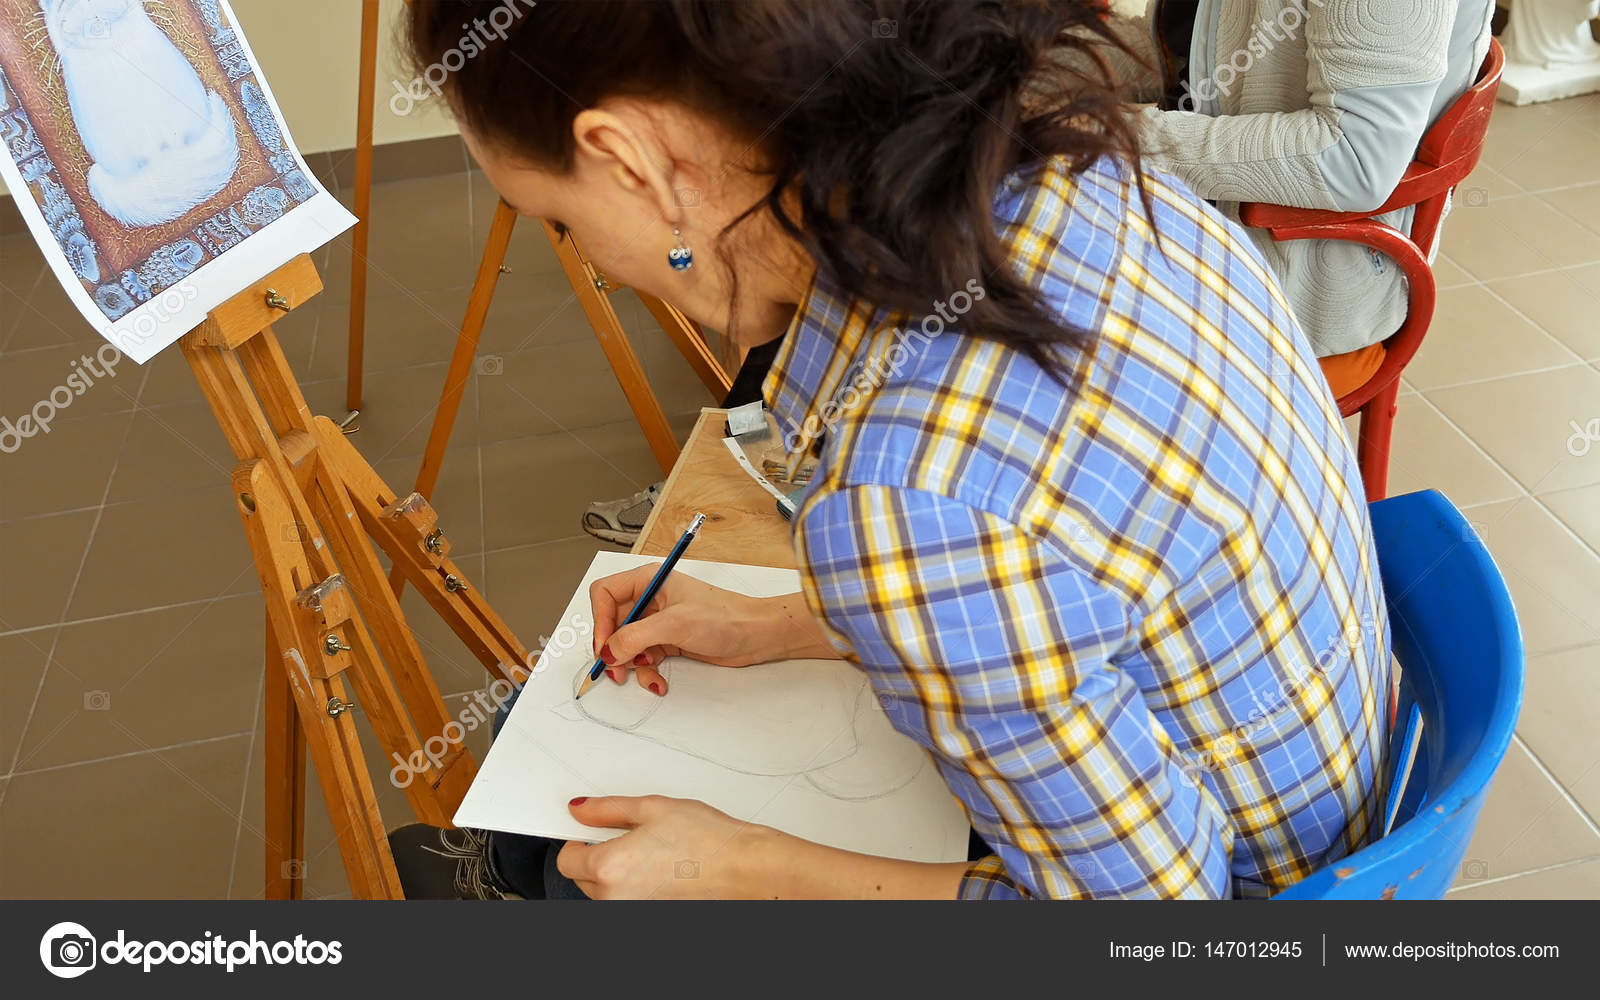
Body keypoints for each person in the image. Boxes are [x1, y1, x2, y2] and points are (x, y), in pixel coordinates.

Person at [391, 0, 1390, 900]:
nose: (592, 261)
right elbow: (1073, 576)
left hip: (1257, 902)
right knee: (543, 742)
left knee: (595, 875)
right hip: (1303, 786)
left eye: (562, 223)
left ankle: (504, 875)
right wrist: (782, 623)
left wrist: (744, 869)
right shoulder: (1086, 174)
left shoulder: (912, 501)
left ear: (633, 161)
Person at [1124, 0, 1498, 396]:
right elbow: (1187, 54)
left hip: (1296, 286)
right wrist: (1060, 59)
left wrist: (1121, 136)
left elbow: (1354, 159)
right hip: (1205, 223)